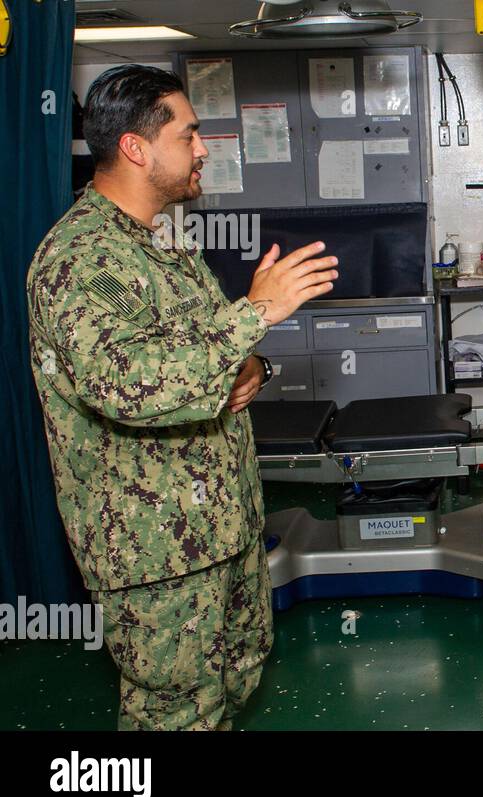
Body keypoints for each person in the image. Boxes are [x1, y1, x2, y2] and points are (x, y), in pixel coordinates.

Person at [27, 65, 337, 730]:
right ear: (136, 148)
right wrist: (254, 313)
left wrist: (251, 363)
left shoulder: (163, 241)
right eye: (190, 133)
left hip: (220, 528)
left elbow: (202, 352)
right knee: (175, 715)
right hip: (155, 556)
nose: (203, 148)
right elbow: (124, 385)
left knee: (230, 686)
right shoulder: (80, 257)